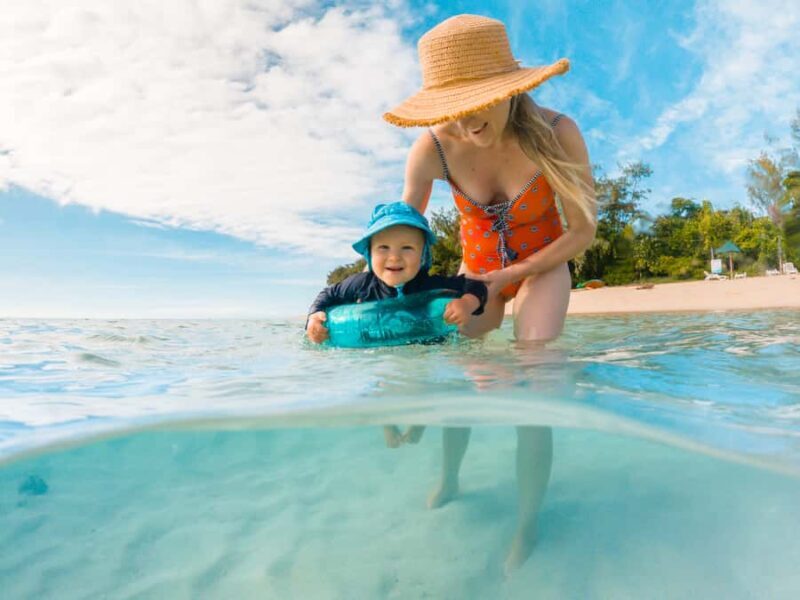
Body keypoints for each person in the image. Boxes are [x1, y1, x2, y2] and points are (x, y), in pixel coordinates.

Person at [382, 15, 597, 572]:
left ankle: (527, 521)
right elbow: (407, 230)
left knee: (536, 378)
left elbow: (582, 231)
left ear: (508, 90)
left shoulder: (556, 132)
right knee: (457, 369)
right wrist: (388, 296)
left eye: (477, 106)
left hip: (543, 263)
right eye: (450, 112)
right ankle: (450, 477)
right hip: (476, 273)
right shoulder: (432, 148)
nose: (465, 124)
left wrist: (515, 274)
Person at [306, 201, 489, 447]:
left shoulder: (430, 285)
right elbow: (329, 295)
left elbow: (474, 286)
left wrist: (466, 303)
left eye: (407, 247)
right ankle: (388, 423)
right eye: (383, 247)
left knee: (429, 387)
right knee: (383, 384)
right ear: (369, 254)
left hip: (427, 350)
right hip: (383, 354)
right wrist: (314, 317)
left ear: (423, 254)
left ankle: (418, 422)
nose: (394, 256)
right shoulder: (361, 284)